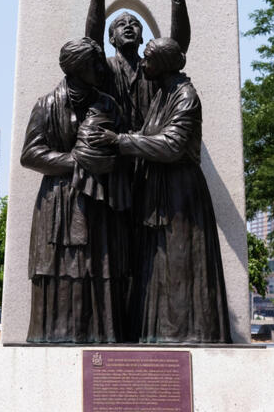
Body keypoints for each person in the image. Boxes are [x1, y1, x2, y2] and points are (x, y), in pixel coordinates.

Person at [86, 37, 230, 343]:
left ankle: (184, 335)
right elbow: (149, 135)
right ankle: (155, 335)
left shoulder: (185, 96)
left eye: (149, 59)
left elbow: (172, 145)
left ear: (162, 64)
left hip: (180, 196)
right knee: (160, 269)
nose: (143, 64)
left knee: (179, 266)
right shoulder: (163, 93)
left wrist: (120, 141)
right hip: (158, 194)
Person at [20, 37, 130, 343]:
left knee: (99, 267)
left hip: (98, 201)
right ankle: (56, 335)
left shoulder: (107, 105)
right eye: (95, 65)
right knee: (59, 268)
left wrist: (106, 159)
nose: (101, 70)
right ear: (78, 68)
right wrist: (76, 161)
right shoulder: (46, 105)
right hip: (59, 201)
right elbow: (30, 154)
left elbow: (122, 151)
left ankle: (99, 336)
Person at [84, 0, 191, 133]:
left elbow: (176, 48)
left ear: (142, 38)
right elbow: (92, 45)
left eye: (134, 23)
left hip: (149, 147)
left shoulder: (153, 69)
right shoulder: (107, 68)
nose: (128, 26)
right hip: (113, 146)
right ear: (111, 39)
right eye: (121, 24)